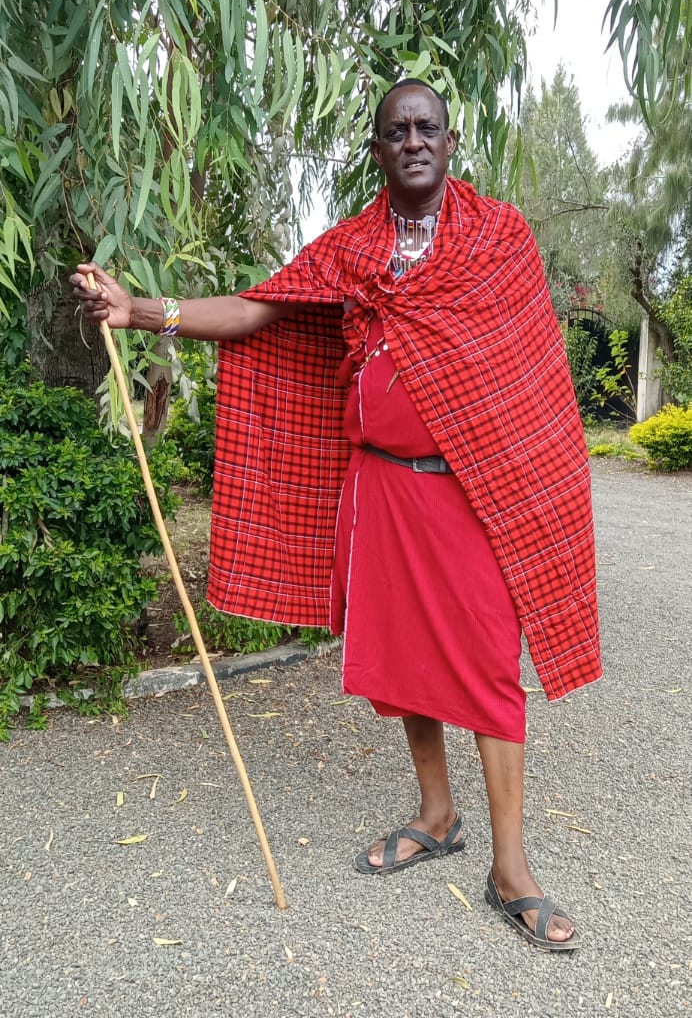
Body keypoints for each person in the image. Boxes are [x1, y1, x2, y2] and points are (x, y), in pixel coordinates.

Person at [72, 79, 600, 951]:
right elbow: (255, 309)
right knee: (401, 661)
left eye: (429, 126)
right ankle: (438, 815)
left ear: (451, 140)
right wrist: (141, 312)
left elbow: (523, 380)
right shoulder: (353, 249)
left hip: (471, 490)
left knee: (490, 666)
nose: (415, 140)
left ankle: (512, 868)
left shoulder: (501, 239)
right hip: (382, 489)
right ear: (378, 152)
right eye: (398, 131)